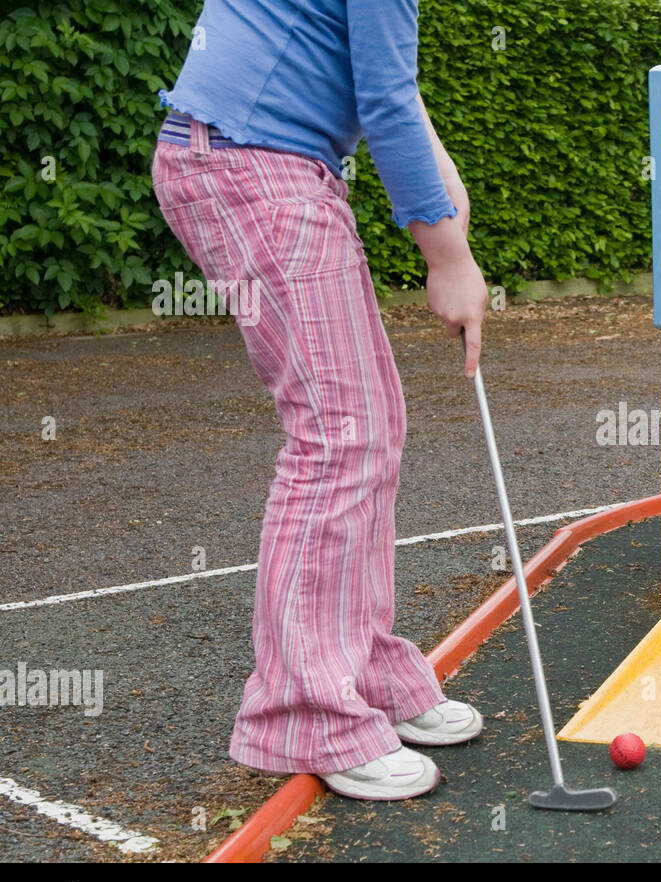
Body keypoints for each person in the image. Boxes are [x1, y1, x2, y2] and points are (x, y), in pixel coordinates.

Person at [151, 0, 490, 800]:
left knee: (368, 422)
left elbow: (385, 78)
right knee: (340, 432)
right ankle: (305, 708)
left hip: (249, 157)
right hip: (251, 162)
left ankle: (360, 667)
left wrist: (443, 189)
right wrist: (446, 257)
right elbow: (384, 99)